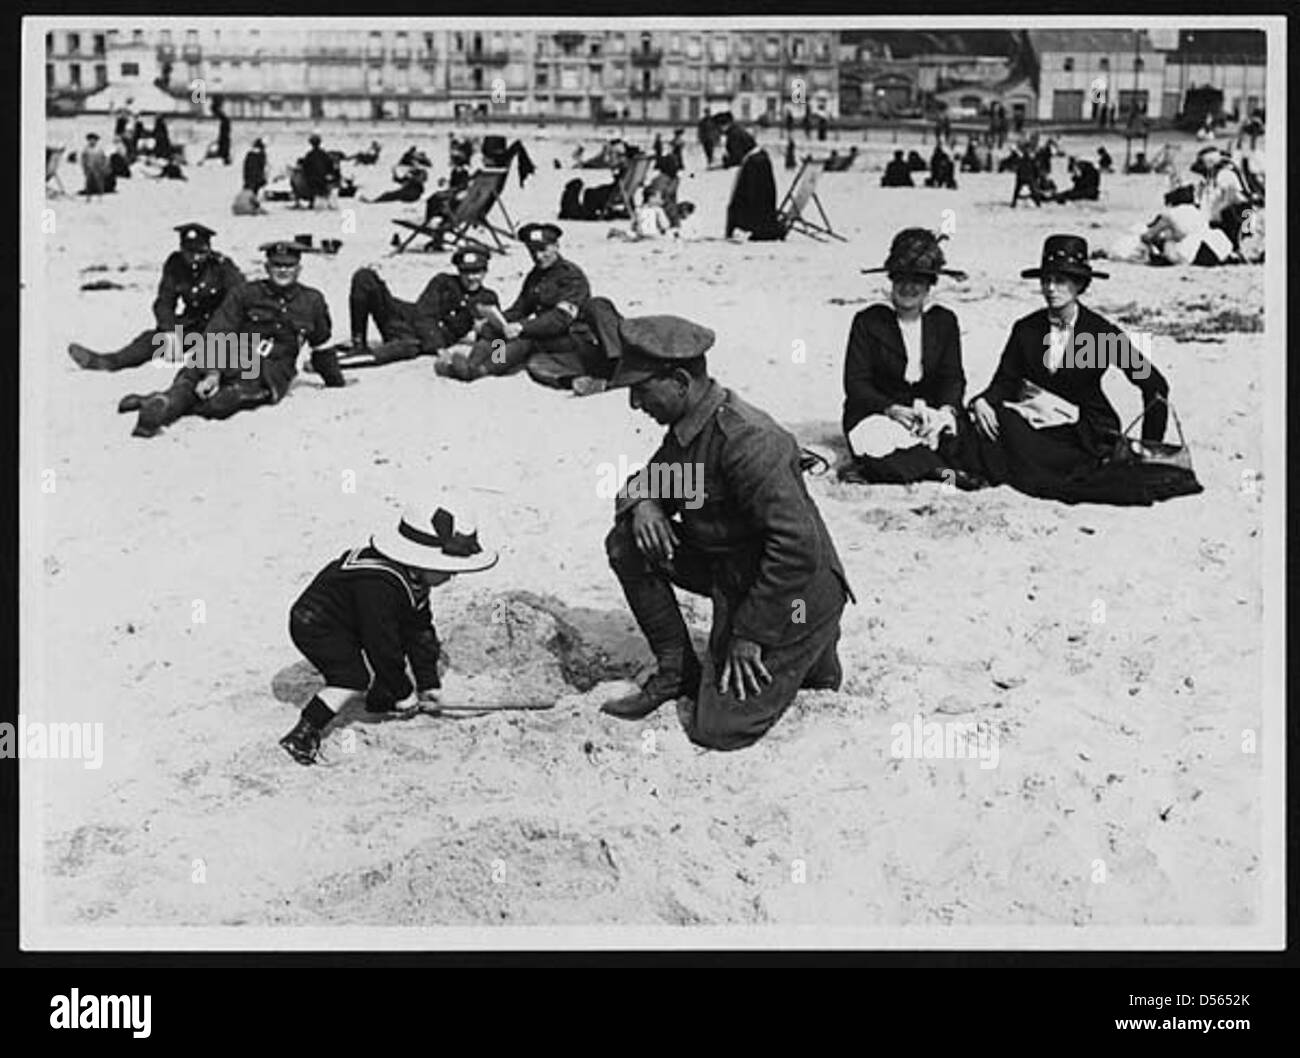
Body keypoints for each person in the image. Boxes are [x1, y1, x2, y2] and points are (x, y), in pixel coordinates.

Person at [600, 315, 854, 750]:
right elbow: (647, 480)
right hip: (735, 573)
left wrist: (750, 634)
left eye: (641, 390)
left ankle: (813, 644)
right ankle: (677, 668)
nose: (636, 405)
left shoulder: (748, 440)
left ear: (679, 380)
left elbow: (795, 549)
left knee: (718, 730)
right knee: (627, 541)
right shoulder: (689, 430)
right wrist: (643, 504)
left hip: (792, 591)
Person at [965, 235, 1195, 505]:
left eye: (1061, 281)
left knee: (1024, 453)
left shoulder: (1100, 333)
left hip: (1085, 430)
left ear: (1079, 286)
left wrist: (1148, 446)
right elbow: (1005, 381)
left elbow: (1154, 384)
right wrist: (981, 401)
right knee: (989, 423)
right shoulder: (1026, 329)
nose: (1051, 289)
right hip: (1037, 424)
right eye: (1046, 280)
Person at [277, 500, 499, 765]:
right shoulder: (378, 584)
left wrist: (428, 683)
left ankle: (382, 698)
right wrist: (405, 692)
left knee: (403, 633)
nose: (452, 577)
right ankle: (304, 732)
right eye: (447, 569)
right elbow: (380, 644)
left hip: (353, 619)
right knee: (351, 678)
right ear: (420, 559)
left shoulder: (412, 580)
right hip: (316, 623)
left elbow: (419, 631)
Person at [120, 241, 334, 438]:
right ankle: (163, 405)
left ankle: (159, 402)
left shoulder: (312, 301)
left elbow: (321, 346)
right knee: (192, 378)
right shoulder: (246, 293)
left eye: (289, 265)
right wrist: (213, 373)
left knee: (224, 401)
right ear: (267, 267)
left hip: (268, 370)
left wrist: (335, 380)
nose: (283, 270)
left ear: (299, 269)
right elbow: (217, 331)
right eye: (277, 265)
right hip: (231, 354)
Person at [841, 229, 977, 488]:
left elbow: (953, 377)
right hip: (879, 413)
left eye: (918, 280)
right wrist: (891, 409)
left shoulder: (944, 322)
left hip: (927, 414)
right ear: (891, 281)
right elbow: (856, 384)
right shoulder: (869, 322)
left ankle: (931, 467)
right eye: (901, 279)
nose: (908, 287)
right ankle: (942, 473)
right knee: (878, 441)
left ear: (929, 286)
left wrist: (945, 411)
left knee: (963, 438)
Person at [438, 223, 601, 389]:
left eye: (543, 250)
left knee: (525, 339)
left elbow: (560, 319)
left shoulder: (571, 277)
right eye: (533, 251)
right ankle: (472, 364)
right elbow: (520, 308)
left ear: (556, 247)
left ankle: (484, 370)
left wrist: (522, 327)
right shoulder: (536, 275)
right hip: (547, 332)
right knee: (494, 332)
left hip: (572, 336)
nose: (538, 256)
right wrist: (496, 320)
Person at [68, 223, 245, 373]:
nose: (194, 258)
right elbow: (164, 303)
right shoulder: (175, 264)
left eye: (200, 252)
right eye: (189, 252)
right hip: (194, 325)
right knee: (151, 340)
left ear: (208, 251)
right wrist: (170, 332)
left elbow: (240, 301)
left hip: (223, 326)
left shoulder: (222, 267)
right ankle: (108, 362)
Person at [321, 245, 501, 373]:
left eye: (477, 272)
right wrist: (439, 348)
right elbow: (424, 315)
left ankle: (330, 363)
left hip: (415, 340)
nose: (472, 278)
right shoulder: (443, 282)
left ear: (486, 272)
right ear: (459, 271)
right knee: (365, 277)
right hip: (404, 317)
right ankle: (358, 342)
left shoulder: (488, 298)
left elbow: (495, 331)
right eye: (466, 272)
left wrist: (497, 360)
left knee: (402, 349)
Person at [723, 126, 783, 241]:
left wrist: (725, 162)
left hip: (753, 166)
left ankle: (750, 227)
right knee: (761, 197)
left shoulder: (733, 135)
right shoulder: (739, 131)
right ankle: (763, 226)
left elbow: (737, 157)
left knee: (746, 197)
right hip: (761, 163)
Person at [299, 133, 339, 208]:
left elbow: (305, 168)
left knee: (304, 178)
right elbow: (330, 167)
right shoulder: (324, 154)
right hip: (324, 179)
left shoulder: (309, 155)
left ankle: (310, 201)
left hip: (313, 181)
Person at [79, 133, 111, 198]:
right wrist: (85, 168)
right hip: (89, 168)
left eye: (94, 140)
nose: (92, 141)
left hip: (98, 168)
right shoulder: (86, 149)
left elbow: (103, 159)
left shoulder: (99, 150)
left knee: (99, 181)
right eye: (90, 140)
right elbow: (83, 160)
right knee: (89, 181)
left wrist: (103, 167)